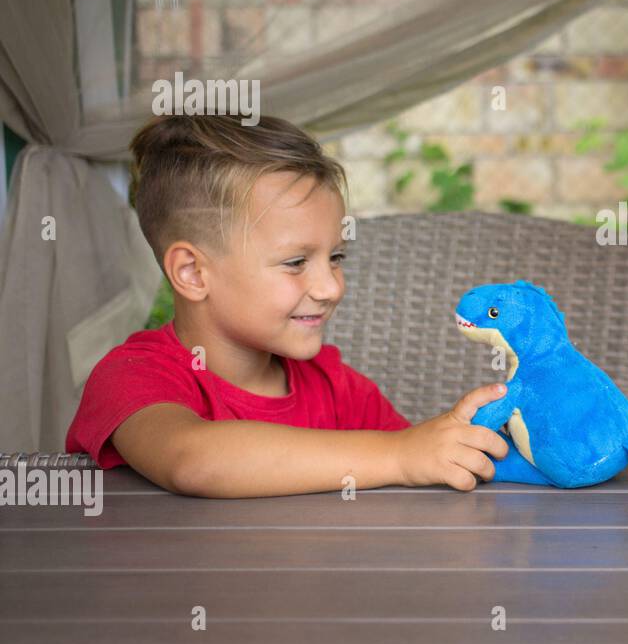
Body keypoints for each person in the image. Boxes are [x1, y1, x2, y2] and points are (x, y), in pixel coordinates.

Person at [65, 113, 508, 497]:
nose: (331, 287)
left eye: (336, 257)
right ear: (193, 273)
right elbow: (192, 460)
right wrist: (398, 455)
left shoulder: (338, 389)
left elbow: (413, 477)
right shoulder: (132, 375)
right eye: (296, 262)